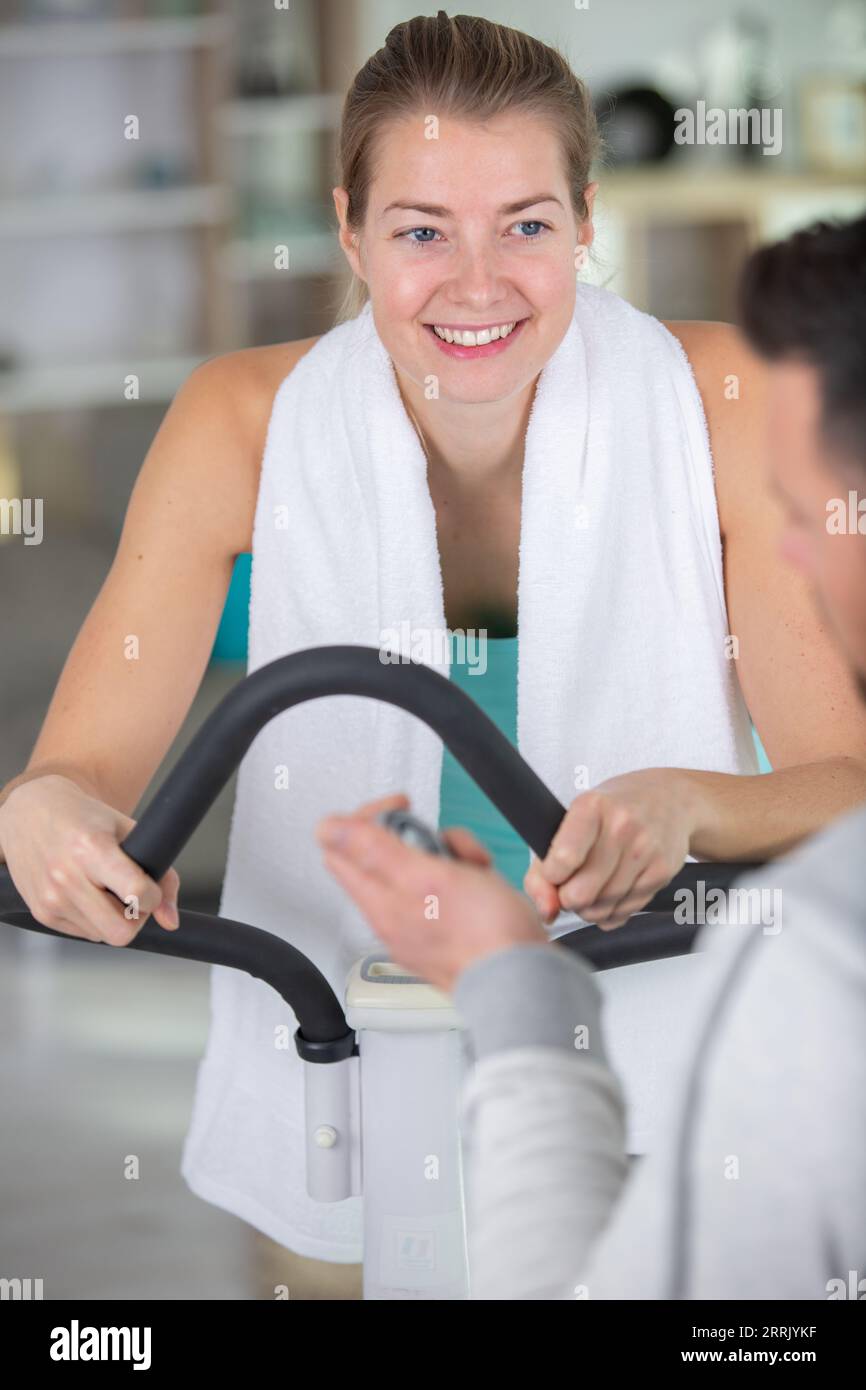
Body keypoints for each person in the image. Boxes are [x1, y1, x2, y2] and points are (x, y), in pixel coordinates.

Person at [0, 13, 864, 1297]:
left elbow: (845, 785)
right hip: (333, 1038)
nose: (475, 284)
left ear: (586, 220)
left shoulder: (719, 399)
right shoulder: (240, 420)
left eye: (523, 223)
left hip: (643, 1031)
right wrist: (47, 814)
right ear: (348, 228)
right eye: (420, 231)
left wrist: (688, 802)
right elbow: (75, 772)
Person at [315, 214, 866, 1298]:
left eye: (804, 514)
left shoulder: (823, 958)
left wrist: (512, 985)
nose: (786, 551)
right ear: (351, 234)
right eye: (421, 229)